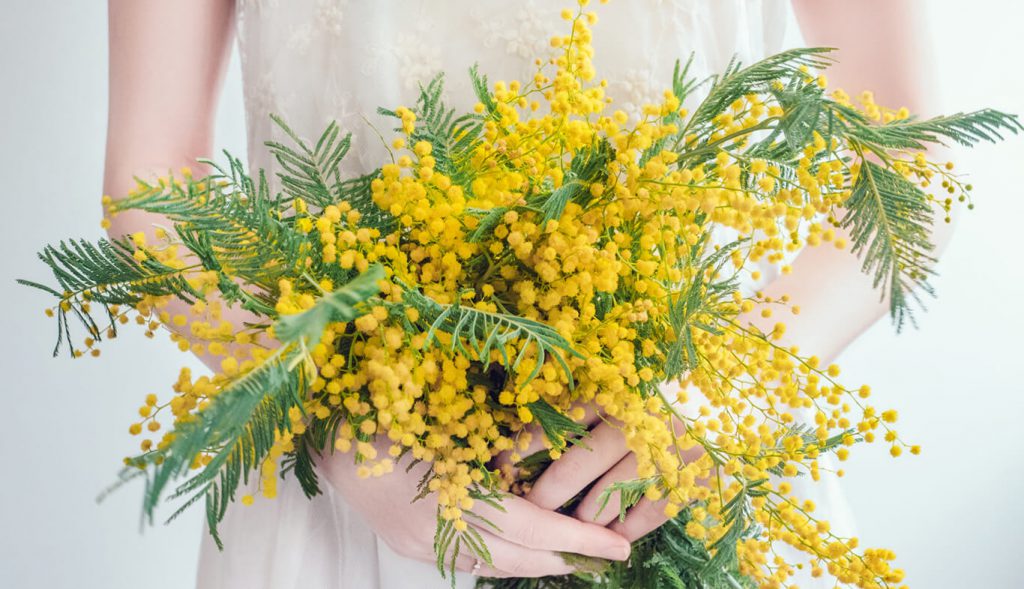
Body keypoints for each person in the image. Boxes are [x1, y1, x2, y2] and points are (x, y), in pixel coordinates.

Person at [103, 1, 943, 587]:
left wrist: (712, 398)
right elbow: (148, 190)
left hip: (683, 477)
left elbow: (910, 157)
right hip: (357, 492)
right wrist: (338, 423)